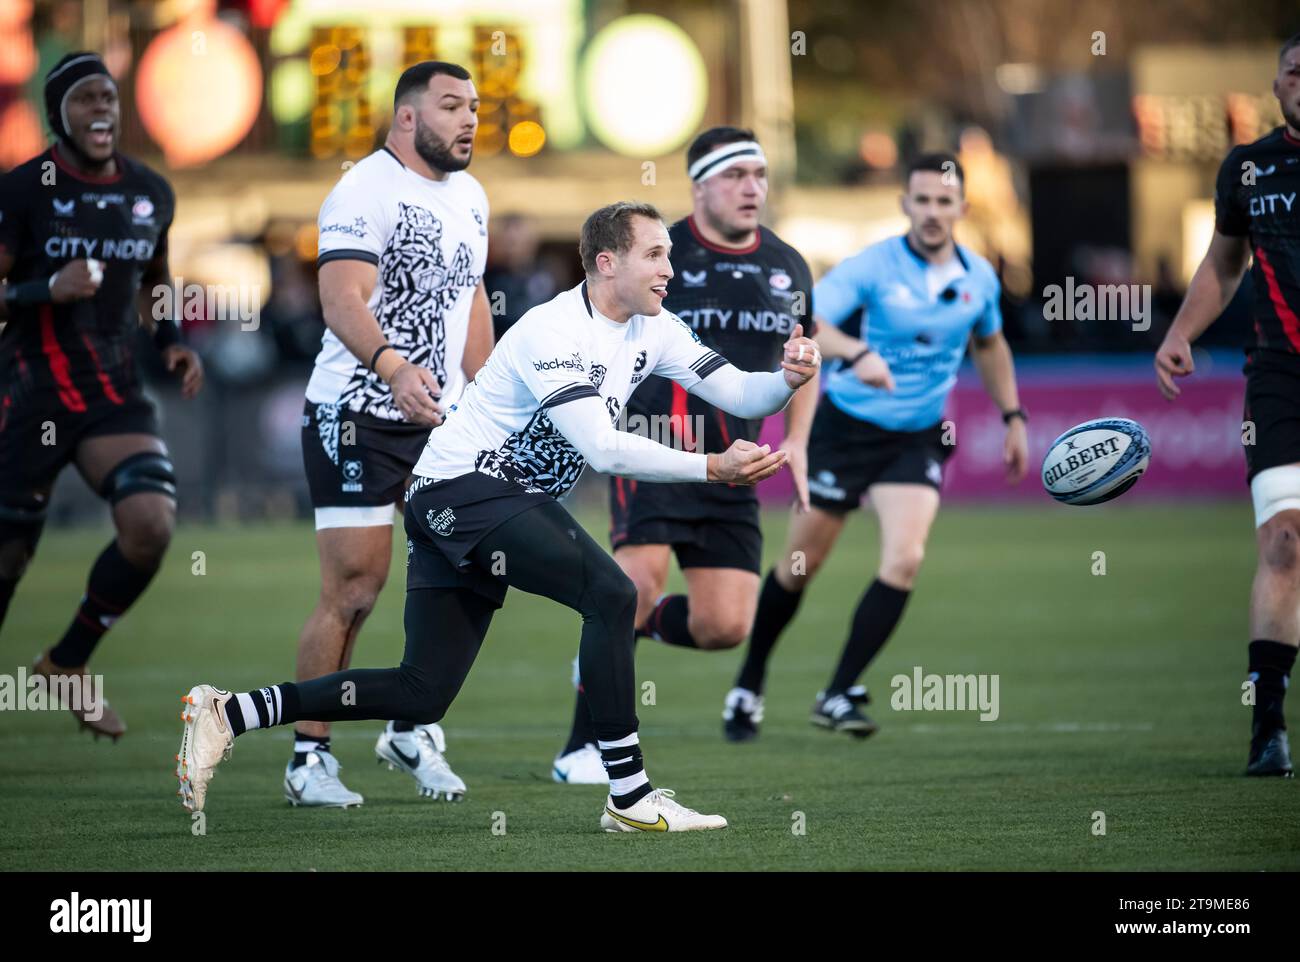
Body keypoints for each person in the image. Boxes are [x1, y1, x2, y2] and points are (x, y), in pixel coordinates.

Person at [175, 201, 821, 832]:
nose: (669, 270)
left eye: (670, 257)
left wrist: (787, 379)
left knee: (421, 693)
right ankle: (630, 794)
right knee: (612, 593)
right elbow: (602, 447)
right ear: (606, 262)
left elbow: (738, 388)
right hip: (463, 491)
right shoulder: (553, 329)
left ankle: (229, 713)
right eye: (655, 255)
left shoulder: (655, 326)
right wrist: (711, 467)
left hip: (472, 500)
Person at [725, 153, 1028, 739]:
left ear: (963, 208)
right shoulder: (873, 266)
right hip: (846, 428)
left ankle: (837, 692)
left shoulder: (980, 277)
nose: (934, 212)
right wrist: (858, 353)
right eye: (923, 200)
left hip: (916, 437)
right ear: (905, 205)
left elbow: (990, 346)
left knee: (906, 559)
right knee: (799, 567)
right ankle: (750, 680)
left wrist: (1012, 414)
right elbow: (811, 324)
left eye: (945, 202)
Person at [551, 127, 816, 782]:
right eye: (735, 176)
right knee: (634, 584)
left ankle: (616, 637)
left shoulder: (790, 266)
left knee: (725, 625)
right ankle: (581, 748)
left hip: (735, 464)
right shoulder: (656, 253)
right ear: (700, 186)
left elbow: (804, 360)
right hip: (654, 447)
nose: (752, 187)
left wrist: (801, 440)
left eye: (758, 174)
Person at [289, 61, 494, 806]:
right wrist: (392, 366)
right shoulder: (363, 189)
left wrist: (492, 397)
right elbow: (339, 297)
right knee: (355, 589)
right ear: (407, 118)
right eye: (451, 105)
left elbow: (471, 300)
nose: (470, 118)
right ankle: (308, 759)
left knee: (466, 567)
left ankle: (410, 729)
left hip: (440, 424)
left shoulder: (470, 195)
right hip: (356, 415)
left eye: (474, 106)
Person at [0, 52, 203, 739]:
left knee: (151, 524)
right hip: (28, 389)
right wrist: (40, 291)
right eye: (86, 99)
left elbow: (155, 278)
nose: (102, 110)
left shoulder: (151, 191)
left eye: (109, 98)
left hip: (113, 389)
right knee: (10, 557)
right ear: (59, 114)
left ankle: (65, 663)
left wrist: (171, 338)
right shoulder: (24, 190)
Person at [1154, 32, 1300, 777]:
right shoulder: (1249, 166)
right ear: (1276, 85)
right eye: (1294, 72)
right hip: (1278, 379)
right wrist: (1180, 331)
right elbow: (1224, 262)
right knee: (1282, 542)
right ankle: (1267, 727)